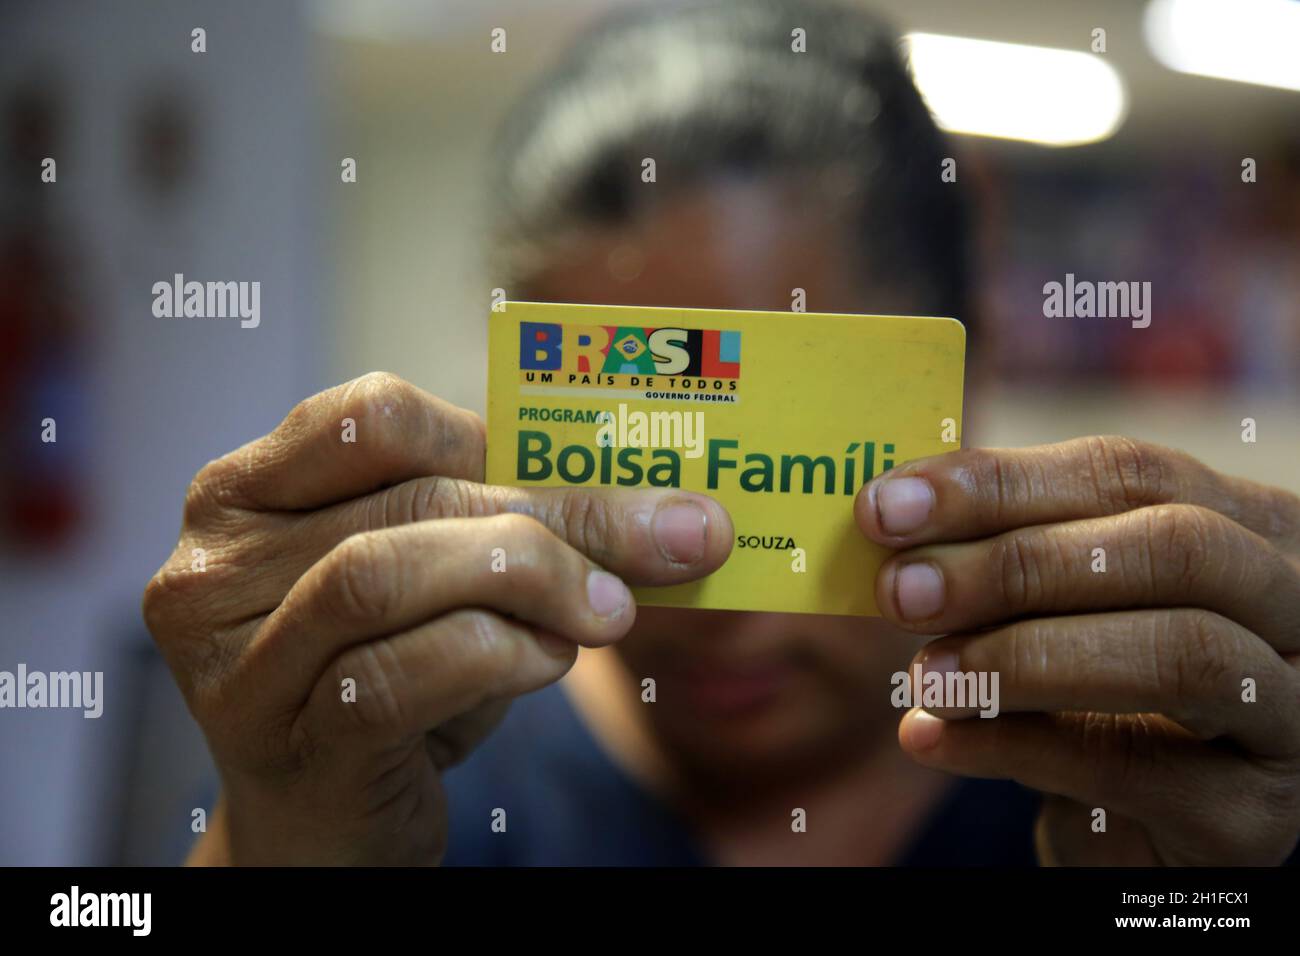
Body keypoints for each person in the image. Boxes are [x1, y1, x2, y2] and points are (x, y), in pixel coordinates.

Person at [143, 0, 1300, 866]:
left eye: (788, 463)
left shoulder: (1160, 764)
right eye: (640, 468)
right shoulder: (406, 767)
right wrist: (269, 837)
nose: (716, 594)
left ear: (970, 365)